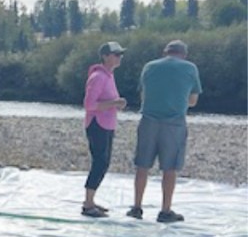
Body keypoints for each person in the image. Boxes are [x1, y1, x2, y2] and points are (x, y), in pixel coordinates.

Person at [127, 39, 202, 223]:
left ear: (165, 52)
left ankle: (137, 207)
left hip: (148, 120)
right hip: (174, 123)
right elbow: (192, 101)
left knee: (142, 165)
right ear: (183, 54)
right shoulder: (190, 68)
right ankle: (165, 210)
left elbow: (143, 95)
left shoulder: (149, 67)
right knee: (170, 168)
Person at [81, 42, 128, 217]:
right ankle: (88, 203)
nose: (119, 58)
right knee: (99, 162)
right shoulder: (98, 77)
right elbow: (89, 104)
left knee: (104, 162)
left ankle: (90, 200)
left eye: (120, 54)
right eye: (116, 54)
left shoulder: (109, 76)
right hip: (97, 124)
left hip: (106, 124)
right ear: (105, 56)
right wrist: (114, 103)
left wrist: (115, 104)